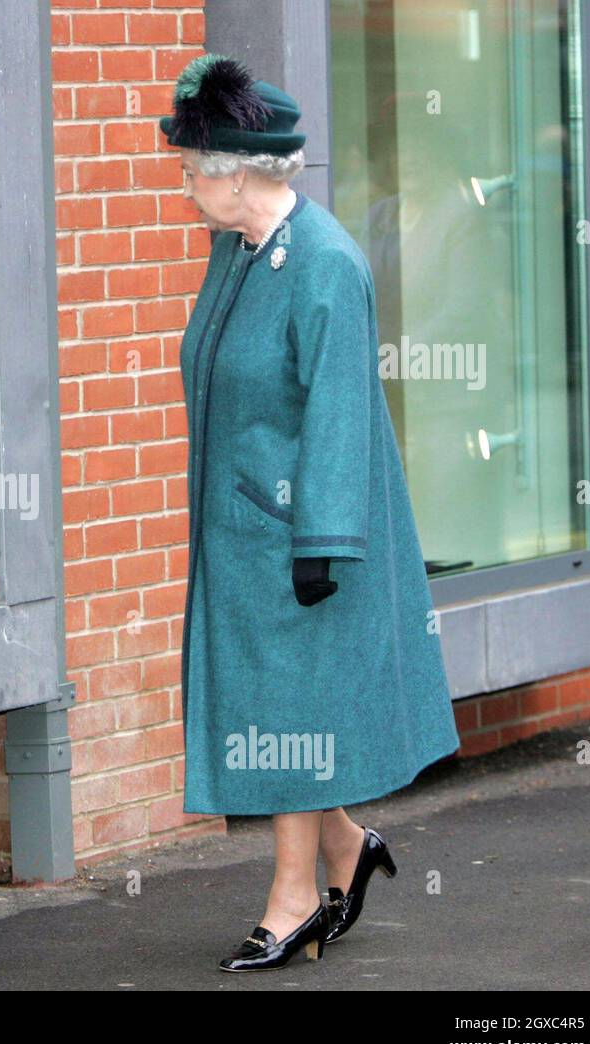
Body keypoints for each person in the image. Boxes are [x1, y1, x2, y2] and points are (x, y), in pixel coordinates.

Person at [158, 55, 461, 972]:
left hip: (304, 536)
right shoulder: (235, 250)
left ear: (240, 170)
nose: (183, 181)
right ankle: (345, 846)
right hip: (245, 530)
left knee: (290, 711)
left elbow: (339, 409)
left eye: (192, 165)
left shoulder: (324, 262)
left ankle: (294, 902)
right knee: (269, 712)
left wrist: (321, 540)